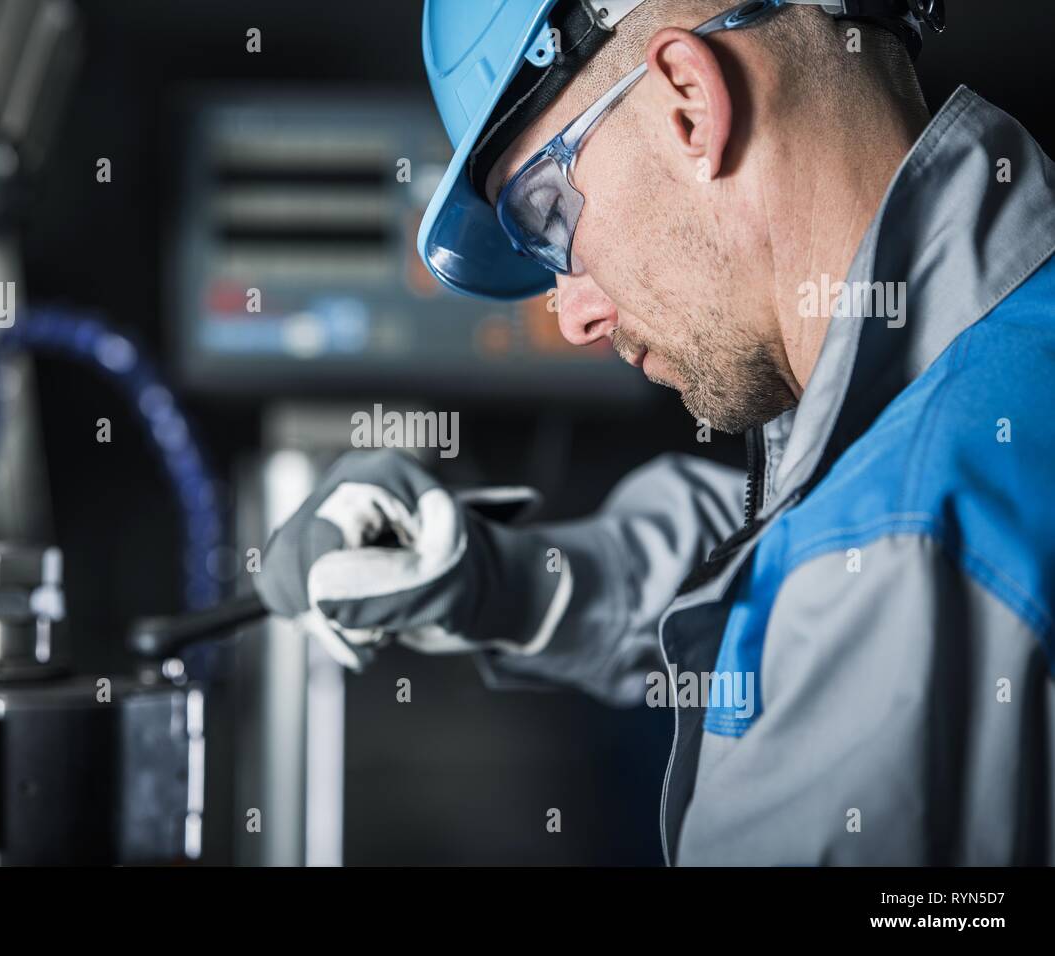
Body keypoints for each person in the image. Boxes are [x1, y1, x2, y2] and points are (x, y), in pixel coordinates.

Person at [255, 0, 1055, 864]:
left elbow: (854, 564)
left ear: (689, 102)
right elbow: (790, 539)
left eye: (547, 216)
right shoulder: (1000, 358)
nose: (576, 318)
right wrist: (514, 585)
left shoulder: (889, 557)